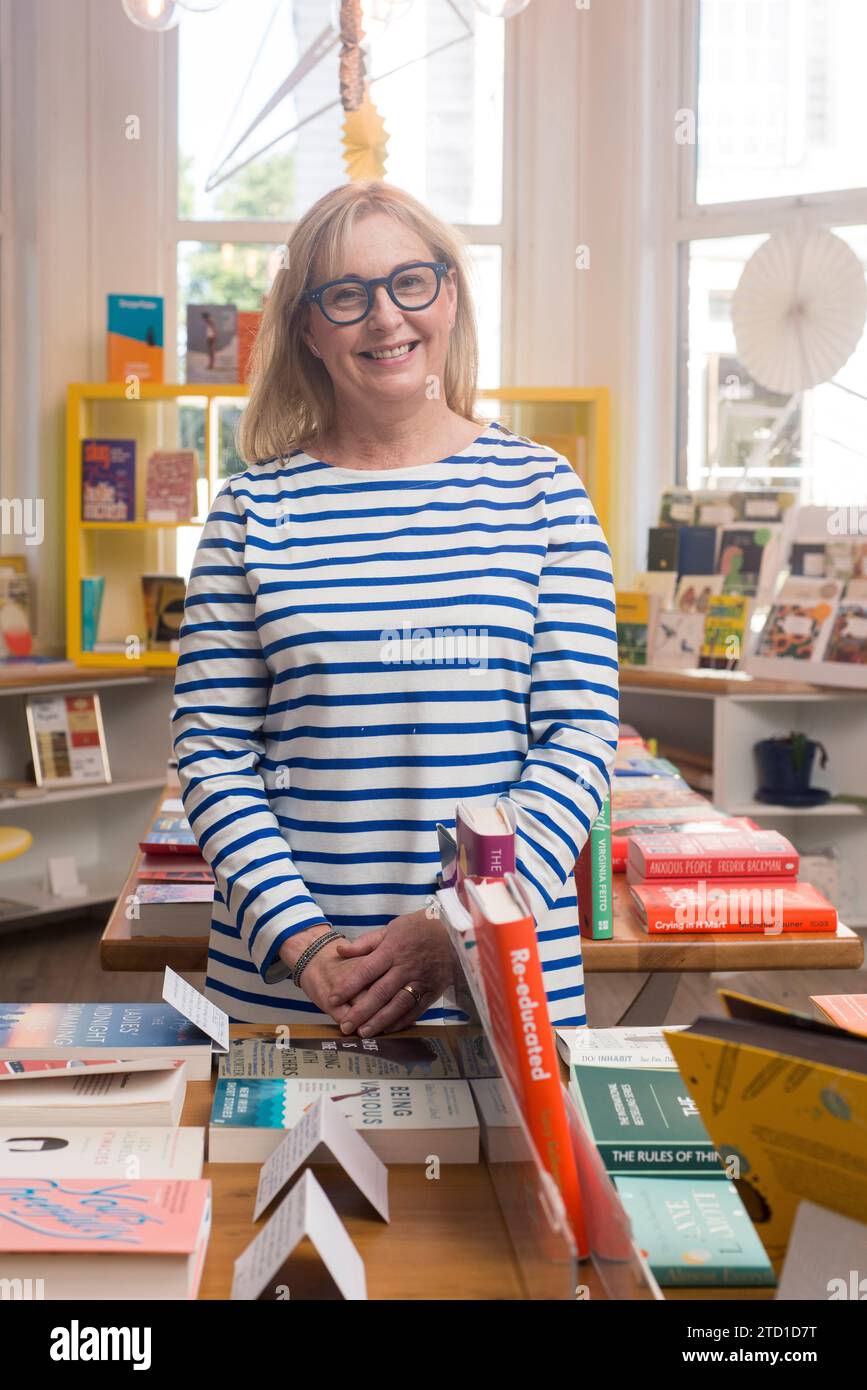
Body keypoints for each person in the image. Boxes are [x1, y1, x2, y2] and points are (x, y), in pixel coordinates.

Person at [172, 180, 618, 1036]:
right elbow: (211, 749)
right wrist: (303, 947)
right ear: (305, 327)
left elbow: (578, 741)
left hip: (496, 979)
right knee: (266, 1177)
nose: (385, 319)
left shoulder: (542, 492)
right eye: (346, 296)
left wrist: (456, 929)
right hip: (290, 992)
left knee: (515, 1175)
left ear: (448, 295)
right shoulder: (248, 511)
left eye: (409, 283)